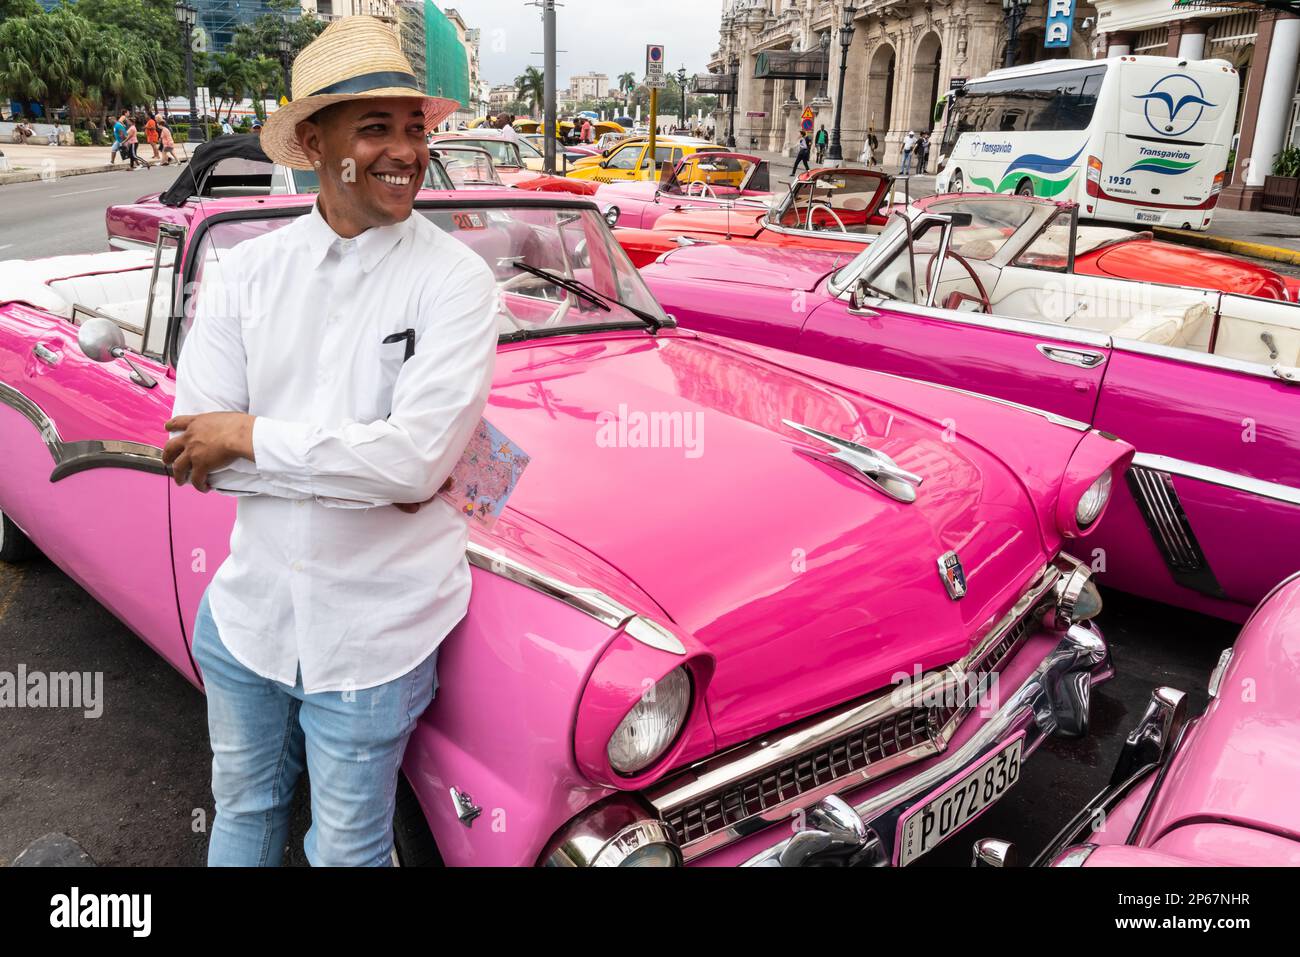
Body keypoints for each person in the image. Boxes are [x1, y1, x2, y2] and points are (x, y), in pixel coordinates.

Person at [164, 14, 497, 868]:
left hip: (376, 637)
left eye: (415, 128)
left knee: (348, 851)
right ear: (315, 144)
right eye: (376, 127)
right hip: (247, 620)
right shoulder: (246, 272)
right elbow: (197, 457)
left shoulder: (455, 280)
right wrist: (371, 466)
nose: (405, 151)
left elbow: (418, 462)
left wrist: (248, 435)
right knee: (241, 812)